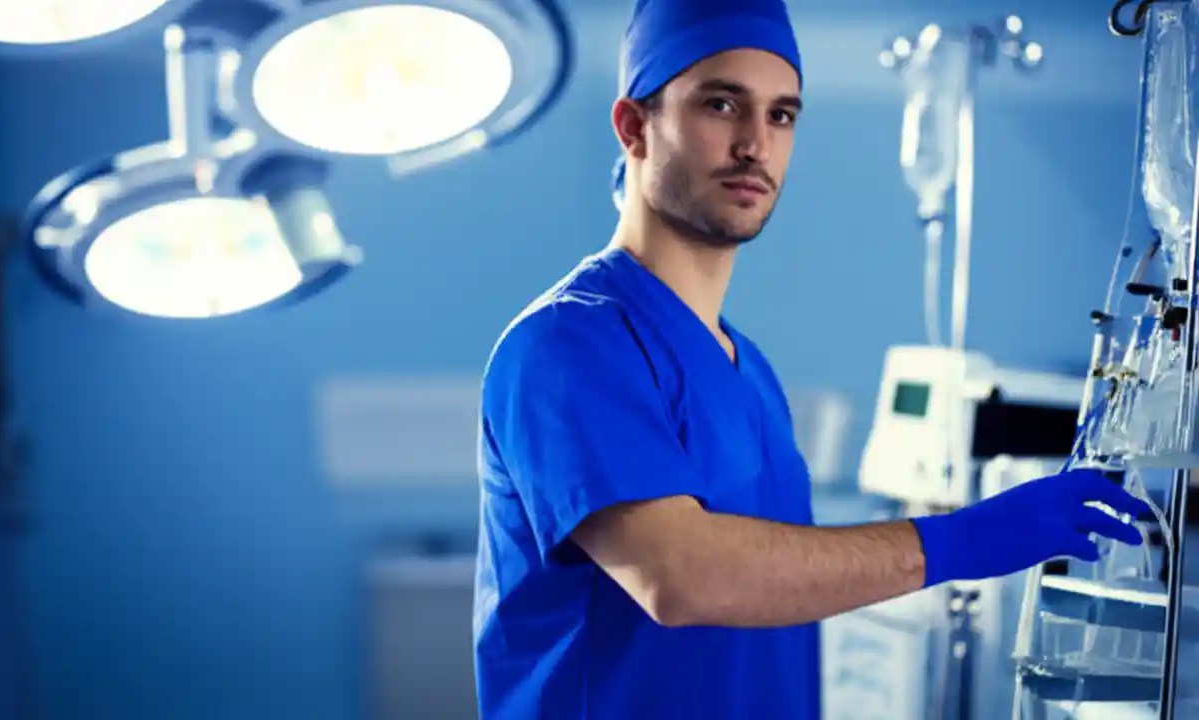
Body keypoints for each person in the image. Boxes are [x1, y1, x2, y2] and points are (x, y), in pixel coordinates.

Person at [471, 0, 1153, 718]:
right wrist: (958, 541)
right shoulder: (568, 345)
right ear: (634, 127)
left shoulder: (751, 373)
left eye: (781, 116)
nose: (754, 144)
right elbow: (679, 576)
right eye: (721, 104)